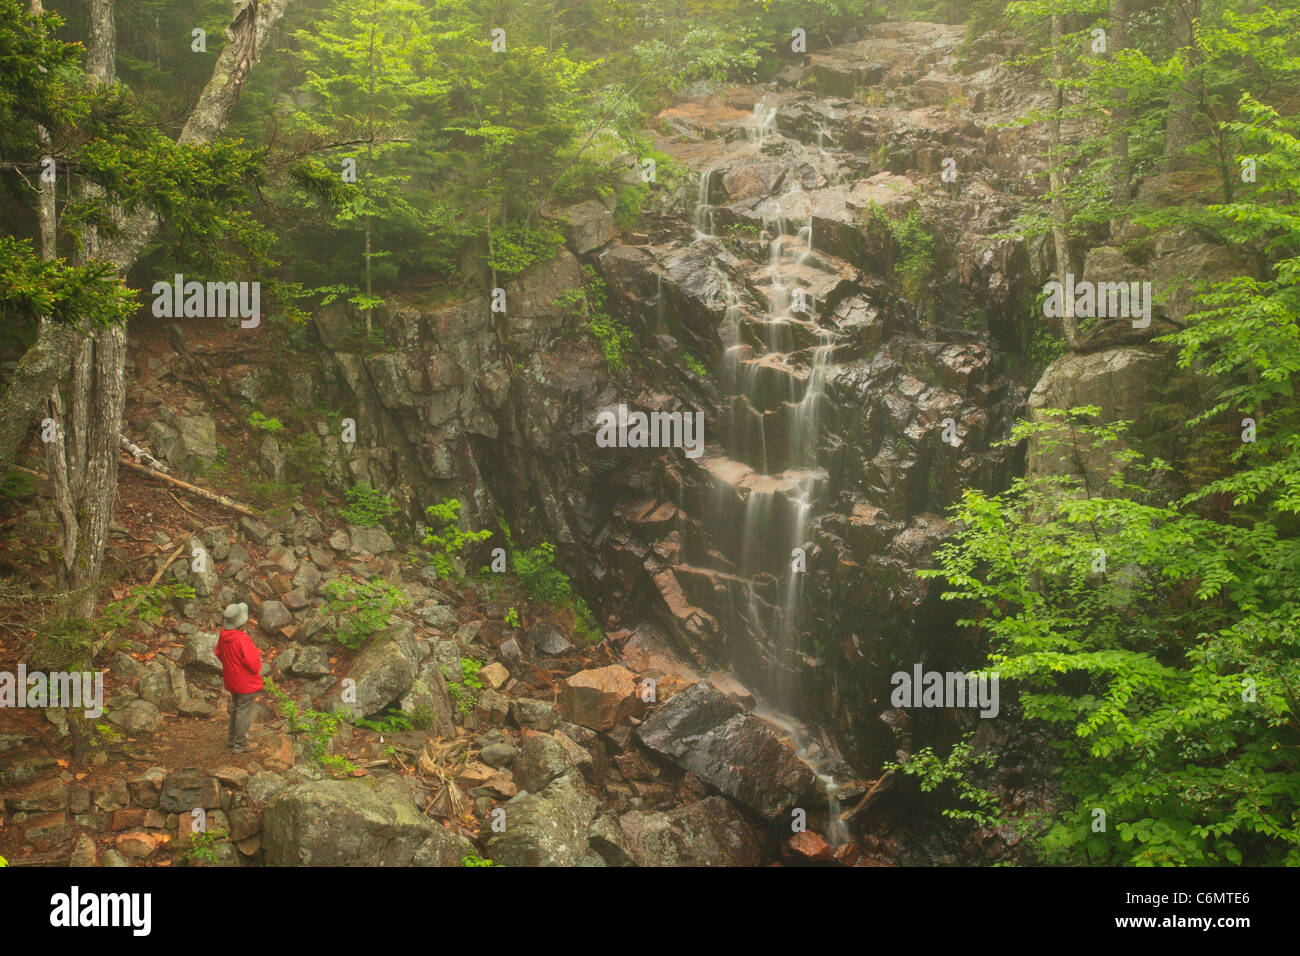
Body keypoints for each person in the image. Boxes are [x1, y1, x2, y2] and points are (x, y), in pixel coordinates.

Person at [215, 602, 263, 754]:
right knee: (243, 711)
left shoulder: (224, 636)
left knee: (236, 708)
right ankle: (240, 744)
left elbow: (219, 654)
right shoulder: (242, 639)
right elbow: (254, 664)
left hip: (232, 680)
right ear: (241, 622)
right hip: (245, 682)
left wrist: (231, 666)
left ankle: (232, 739)